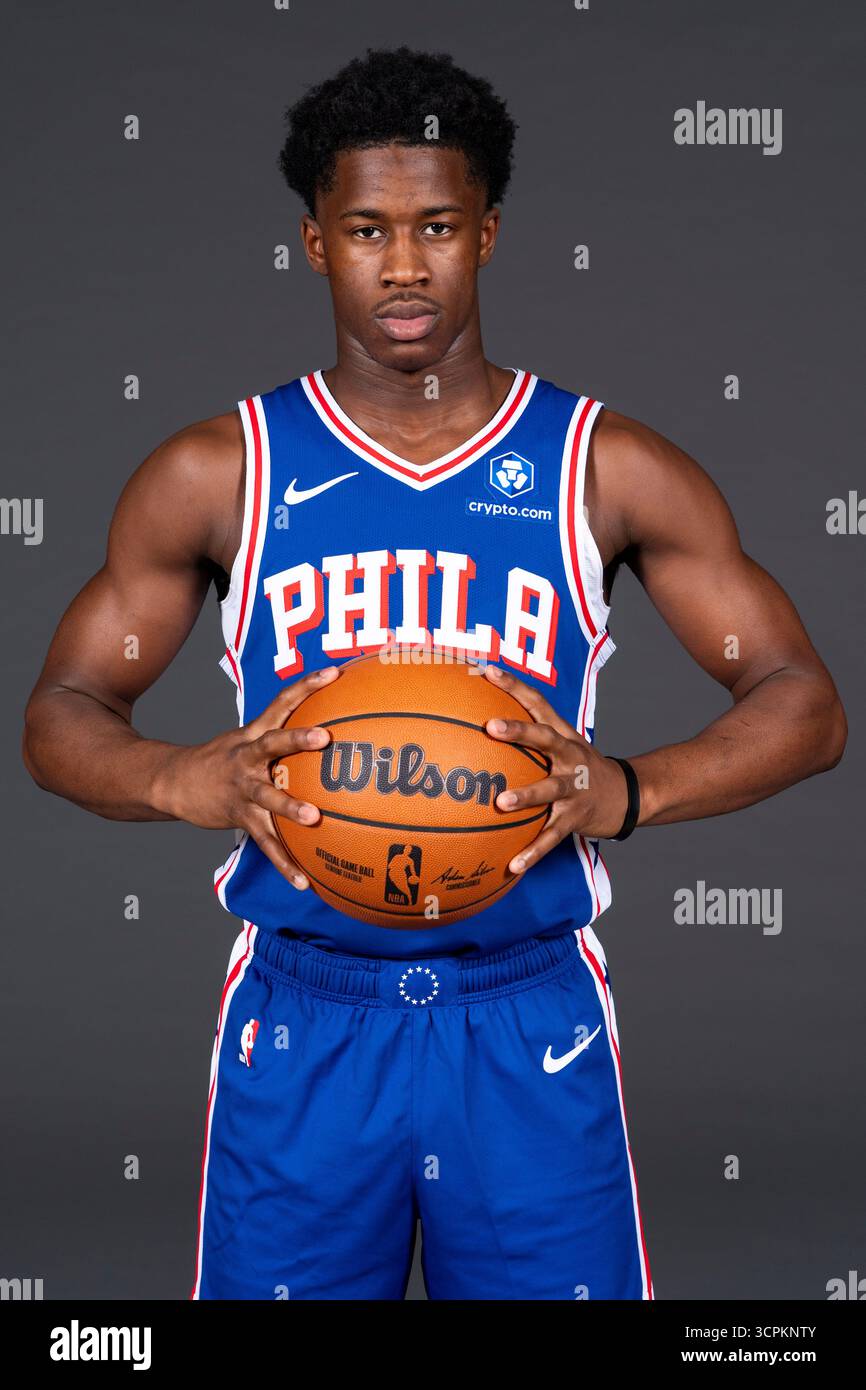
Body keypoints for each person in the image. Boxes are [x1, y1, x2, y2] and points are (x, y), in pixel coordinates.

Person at [22, 45, 847, 1300]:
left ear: (488, 234)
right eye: (364, 227)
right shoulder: (221, 471)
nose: (402, 264)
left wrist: (622, 788)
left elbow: (801, 697)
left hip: (526, 1022)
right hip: (305, 1020)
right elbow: (63, 711)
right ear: (313, 243)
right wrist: (180, 776)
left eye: (435, 226)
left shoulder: (600, 466)